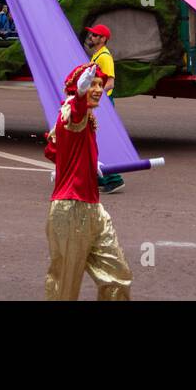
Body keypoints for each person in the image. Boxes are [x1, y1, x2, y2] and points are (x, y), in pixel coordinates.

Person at [43, 62, 132, 301]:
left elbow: (53, 148)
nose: (98, 89)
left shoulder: (85, 119)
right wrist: (80, 96)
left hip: (94, 209)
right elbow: (74, 117)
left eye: (100, 85)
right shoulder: (72, 111)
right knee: (65, 288)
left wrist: (85, 164)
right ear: (77, 87)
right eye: (92, 84)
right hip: (70, 209)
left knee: (118, 276)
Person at [82, 24, 123, 195]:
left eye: (94, 35)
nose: (91, 37)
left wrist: (95, 95)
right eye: (91, 34)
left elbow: (110, 83)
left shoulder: (104, 57)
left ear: (103, 39)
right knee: (92, 140)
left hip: (103, 103)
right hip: (98, 103)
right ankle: (99, 176)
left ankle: (114, 179)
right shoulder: (97, 55)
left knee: (101, 142)